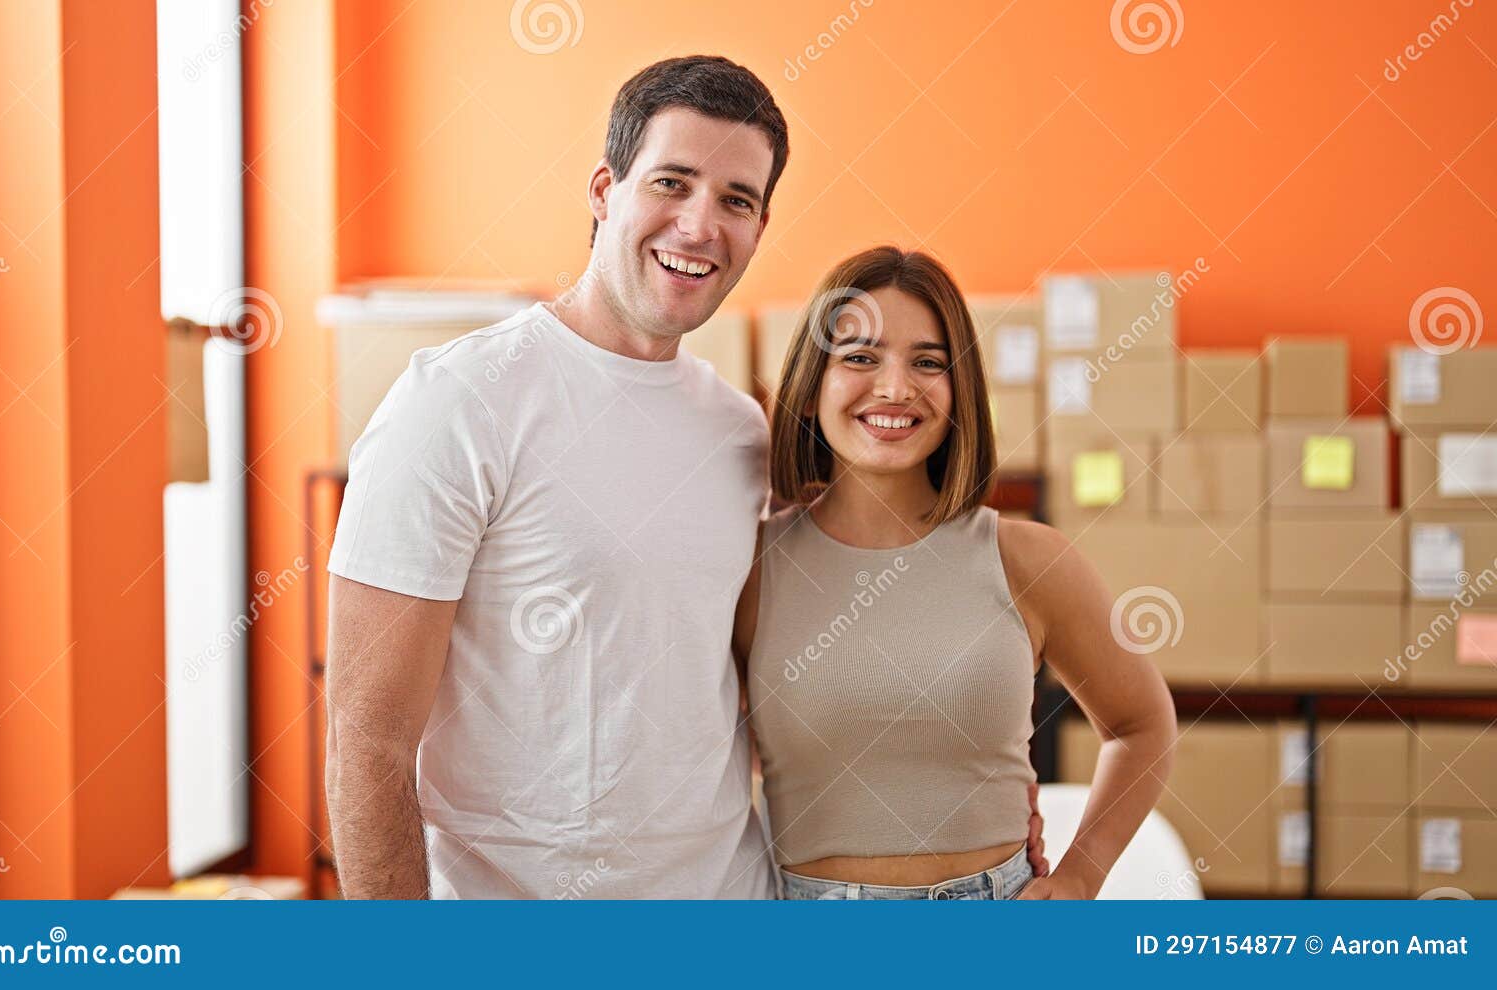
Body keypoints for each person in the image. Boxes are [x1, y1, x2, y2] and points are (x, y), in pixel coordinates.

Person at [323, 55, 1044, 899]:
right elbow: (366, 738)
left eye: (736, 199)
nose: (701, 225)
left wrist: (979, 808)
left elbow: (832, 637)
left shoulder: (740, 430)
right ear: (603, 190)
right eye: (672, 182)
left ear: (760, 225)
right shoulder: (456, 404)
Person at [733, 246, 1176, 900]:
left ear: (959, 388)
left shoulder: (1030, 560)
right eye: (859, 357)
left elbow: (1142, 726)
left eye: (928, 363)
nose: (894, 387)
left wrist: (1083, 875)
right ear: (812, 383)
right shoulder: (751, 571)